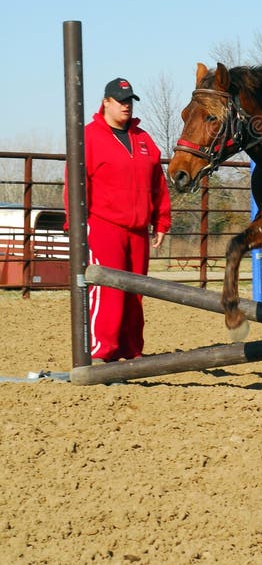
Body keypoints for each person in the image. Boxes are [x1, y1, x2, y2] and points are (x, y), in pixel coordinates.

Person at [65, 77, 171, 363]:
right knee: (109, 290)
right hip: (103, 225)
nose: (126, 106)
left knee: (136, 293)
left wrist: (161, 220)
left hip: (137, 229)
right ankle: (102, 353)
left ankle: (131, 351)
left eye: (129, 101)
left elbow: (158, 183)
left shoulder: (144, 138)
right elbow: (75, 183)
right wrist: (75, 226)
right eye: (120, 100)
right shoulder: (88, 137)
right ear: (106, 103)